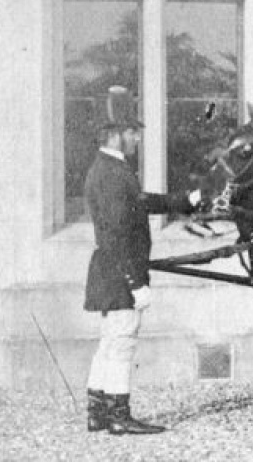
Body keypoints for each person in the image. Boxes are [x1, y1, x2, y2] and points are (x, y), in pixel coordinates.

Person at [84, 86, 203, 435]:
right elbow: (117, 236)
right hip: (120, 273)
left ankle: (98, 411)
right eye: (133, 132)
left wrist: (186, 200)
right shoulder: (112, 174)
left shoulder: (108, 169)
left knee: (109, 340)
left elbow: (141, 202)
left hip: (109, 270)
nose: (137, 138)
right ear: (117, 134)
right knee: (122, 342)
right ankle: (119, 417)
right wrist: (136, 284)